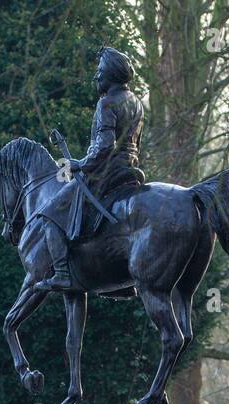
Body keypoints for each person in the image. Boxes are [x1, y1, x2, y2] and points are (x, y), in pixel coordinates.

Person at [33, 47, 145, 292]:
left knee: (49, 214)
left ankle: (62, 273)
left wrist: (81, 164)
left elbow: (105, 147)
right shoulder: (136, 103)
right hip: (130, 170)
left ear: (110, 74)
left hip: (105, 173)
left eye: (99, 71)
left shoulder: (106, 103)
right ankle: (120, 281)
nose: (96, 76)